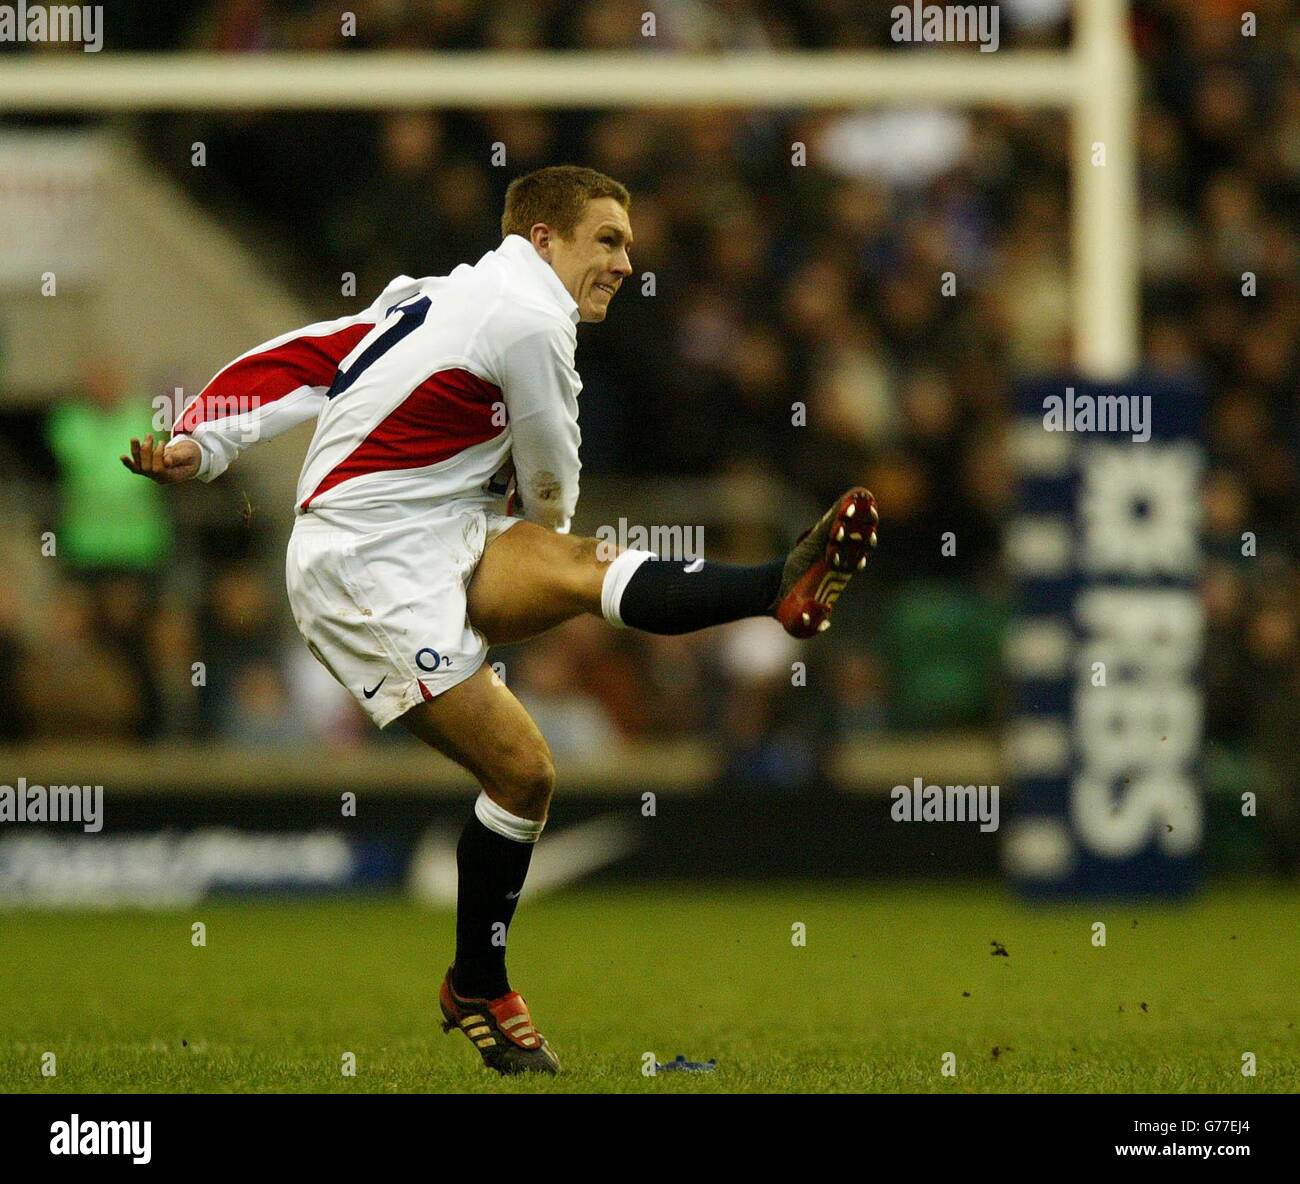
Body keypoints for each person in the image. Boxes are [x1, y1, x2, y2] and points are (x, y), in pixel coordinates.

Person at [122, 165, 878, 1075]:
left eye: (629, 245)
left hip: (442, 529)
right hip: (365, 569)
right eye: (608, 241)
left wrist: (200, 437)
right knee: (525, 772)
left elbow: (306, 357)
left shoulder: (439, 296)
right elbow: (555, 474)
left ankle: (780, 588)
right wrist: (541, 541)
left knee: (586, 571)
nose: (625, 263)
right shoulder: (528, 321)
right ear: (544, 239)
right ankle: (477, 983)